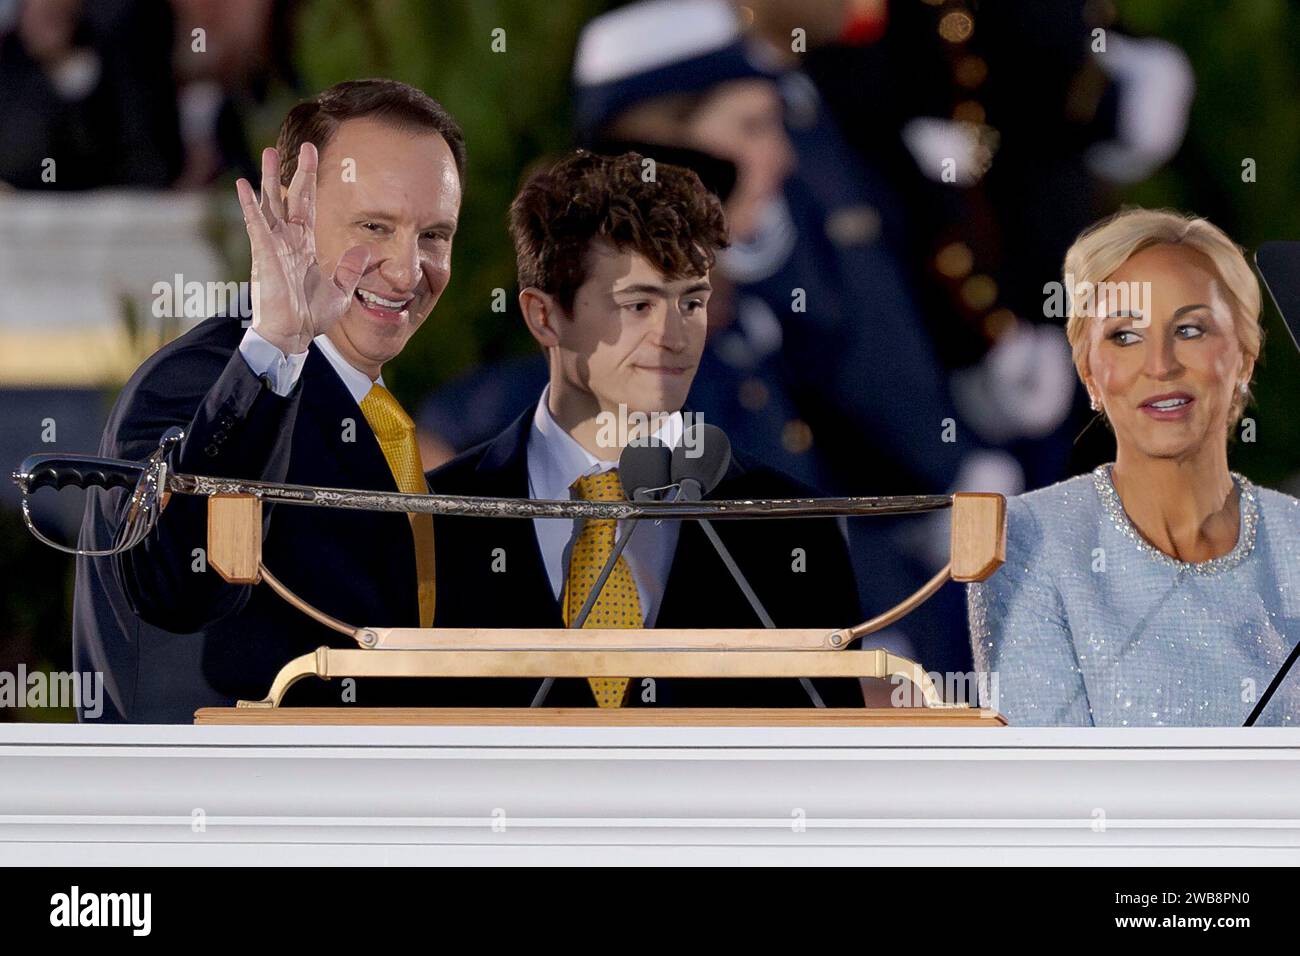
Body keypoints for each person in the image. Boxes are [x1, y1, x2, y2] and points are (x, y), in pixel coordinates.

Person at [73, 78, 464, 721]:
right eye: (374, 226)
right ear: (295, 214)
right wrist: (276, 344)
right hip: (216, 813)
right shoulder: (202, 377)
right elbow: (174, 583)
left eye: (434, 236)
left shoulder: (380, 417)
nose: (406, 269)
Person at [426, 150, 864, 708]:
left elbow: (827, 767)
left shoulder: (794, 531)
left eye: (692, 302)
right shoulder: (430, 523)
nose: (673, 336)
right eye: (638, 305)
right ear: (544, 316)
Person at [968, 208, 1300, 726]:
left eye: (1191, 329)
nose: (1161, 364)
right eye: (1124, 335)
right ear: (1089, 373)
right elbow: (1044, 784)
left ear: (1244, 357)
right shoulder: (1027, 540)